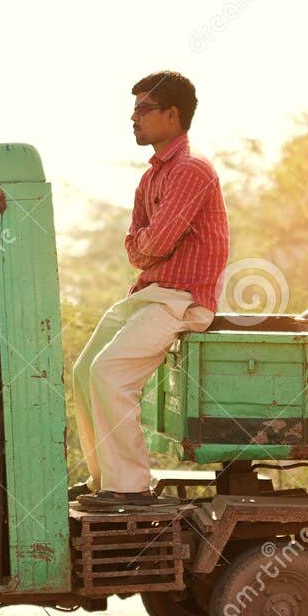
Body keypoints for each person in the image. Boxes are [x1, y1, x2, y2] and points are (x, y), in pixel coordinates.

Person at [73, 70, 230, 510]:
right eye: (135, 109)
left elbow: (152, 244)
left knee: (110, 373)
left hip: (182, 298)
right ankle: (105, 481)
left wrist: (147, 246)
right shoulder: (152, 178)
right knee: (85, 371)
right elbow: (136, 249)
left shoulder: (191, 170)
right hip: (151, 293)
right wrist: (147, 246)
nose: (133, 118)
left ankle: (130, 488)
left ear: (172, 115)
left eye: (143, 109)